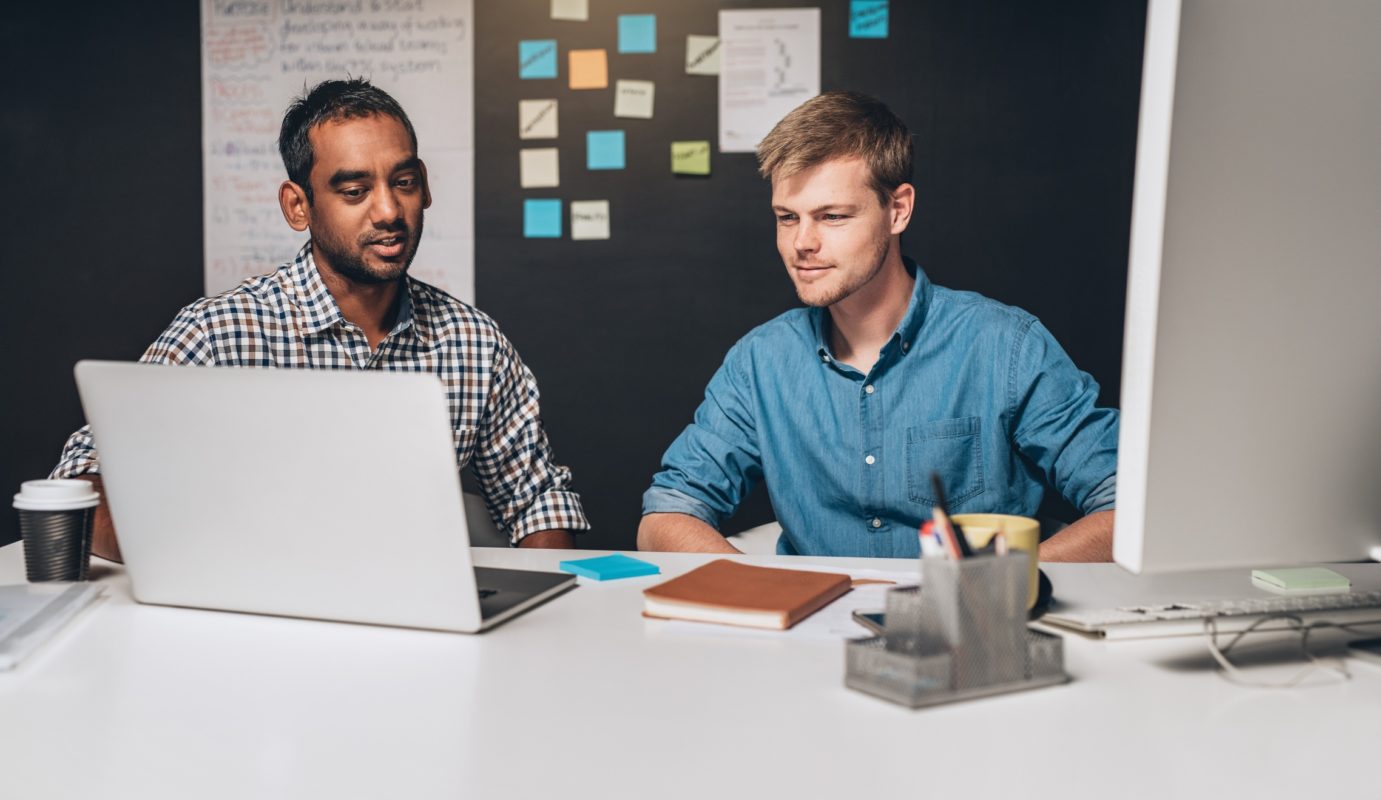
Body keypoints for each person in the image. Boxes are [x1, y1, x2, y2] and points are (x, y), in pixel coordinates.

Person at [52, 78, 588, 561]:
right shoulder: (220, 335)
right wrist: (207, 560)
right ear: (298, 207)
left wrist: (541, 606)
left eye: (402, 182)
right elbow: (81, 481)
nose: (387, 211)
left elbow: (536, 502)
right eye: (354, 191)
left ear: (424, 184)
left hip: (415, 614)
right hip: (254, 616)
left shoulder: (473, 343)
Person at [638, 91, 1118, 562]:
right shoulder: (760, 361)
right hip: (809, 631)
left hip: (969, 629)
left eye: (832, 217)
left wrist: (996, 588)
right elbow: (667, 514)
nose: (802, 243)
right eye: (787, 218)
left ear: (898, 210)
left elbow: (1129, 508)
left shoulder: (1005, 347)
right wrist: (762, 592)